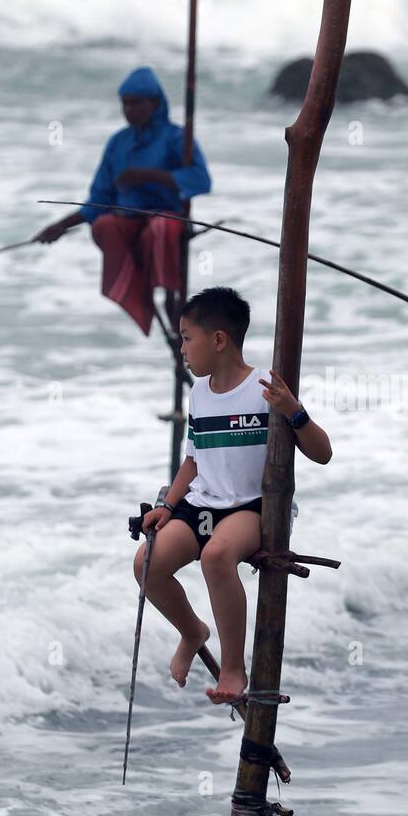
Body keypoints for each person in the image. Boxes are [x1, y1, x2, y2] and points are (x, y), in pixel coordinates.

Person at [134, 286, 333, 703]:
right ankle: (193, 632)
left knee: (217, 556)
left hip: (250, 507)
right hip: (202, 503)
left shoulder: (264, 386)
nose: (183, 350)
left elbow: (322, 453)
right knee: (147, 563)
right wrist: (166, 506)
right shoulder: (200, 393)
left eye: (187, 338)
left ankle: (232, 668)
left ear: (219, 340)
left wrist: (293, 411)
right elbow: (193, 461)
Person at [33, 67, 211, 336]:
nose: (129, 110)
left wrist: (150, 176)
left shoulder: (177, 138)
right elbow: (100, 198)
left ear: (153, 103)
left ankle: (171, 295)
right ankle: (137, 293)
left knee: (160, 229)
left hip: (166, 217)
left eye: (135, 103)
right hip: (128, 220)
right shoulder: (118, 143)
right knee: (104, 225)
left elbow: (200, 180)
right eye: (125, 104)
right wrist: (59, 225)